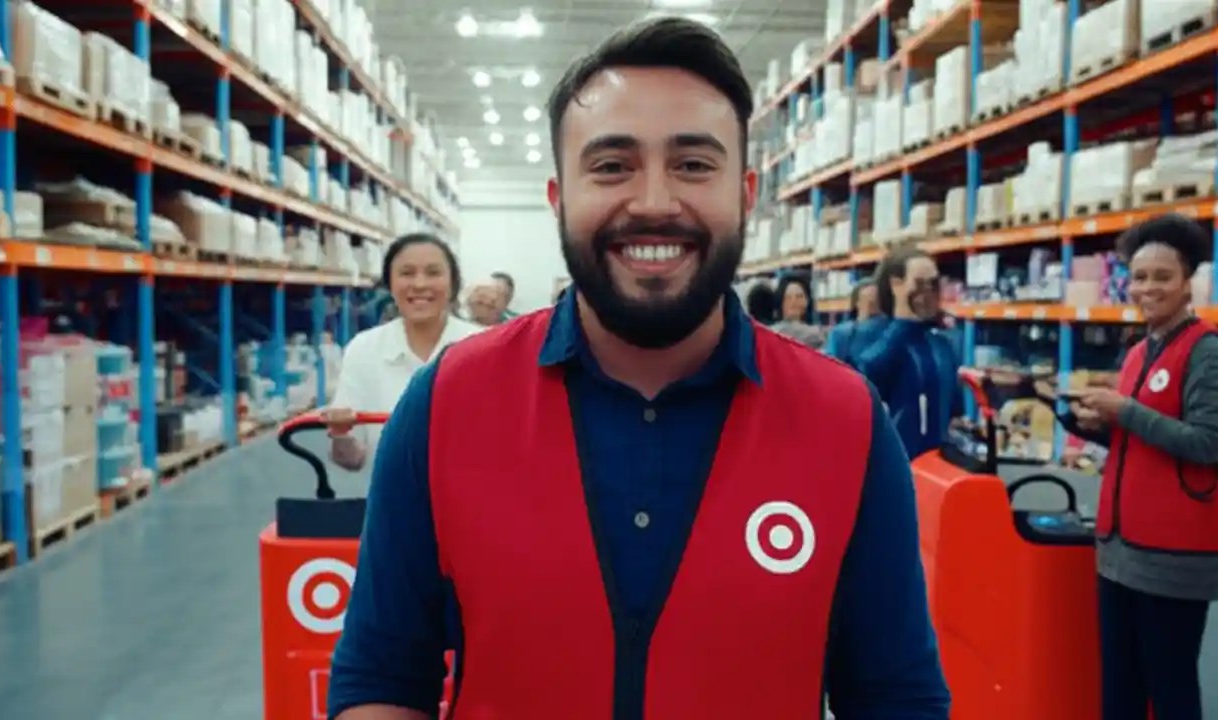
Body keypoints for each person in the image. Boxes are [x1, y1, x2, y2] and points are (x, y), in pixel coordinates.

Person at [327, 17, 949, 720]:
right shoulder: (446, 404)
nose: (654, 202)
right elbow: (380, 676)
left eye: (692, 165)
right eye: (612, 165)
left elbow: (897, 698)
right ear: (559, 200)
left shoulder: (846, 421)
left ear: (745, 195)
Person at [1060, 214, 1218, 720]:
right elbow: (1138, 435)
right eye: (1139, 277)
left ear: (1188, 283)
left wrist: (1125, 412)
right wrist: (1094, 422)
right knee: (1119, 684)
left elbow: (1208, 442)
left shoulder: (1209, 353)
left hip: (1173, 555)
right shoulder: (1140, 351)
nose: (1147, 288)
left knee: (1170, 687)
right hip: (1120, 549)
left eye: (1163, 276)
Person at [322, 233, 483, 471]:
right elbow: (353, 461)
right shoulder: (365, 349)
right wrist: (340, 435)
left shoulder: (484, 346)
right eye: (406, 273)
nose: (419, 284)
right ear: (390, 283)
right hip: (394, 503)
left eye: (433, 273)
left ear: (453, 283)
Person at [850, 245, 960, 459]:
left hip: (935, 465)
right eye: (919, 283)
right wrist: (903, 321)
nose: (927, 292)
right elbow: (868, 380)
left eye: (933, 283)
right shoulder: (870, 335)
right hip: (893, 465)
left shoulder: (941, 342)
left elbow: (953, 406)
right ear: (895, 284)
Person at [824, 278, 878, 362]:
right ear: (857, 302)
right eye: (868, 300)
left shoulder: (891, 329)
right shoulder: (842, 333)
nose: (873, 302)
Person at [770, 274, 825, 349]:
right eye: (788, 297)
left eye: (799, 297)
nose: (794, 302)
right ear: (780, 300)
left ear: (807, 301)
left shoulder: (815, 336)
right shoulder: (770, 333)